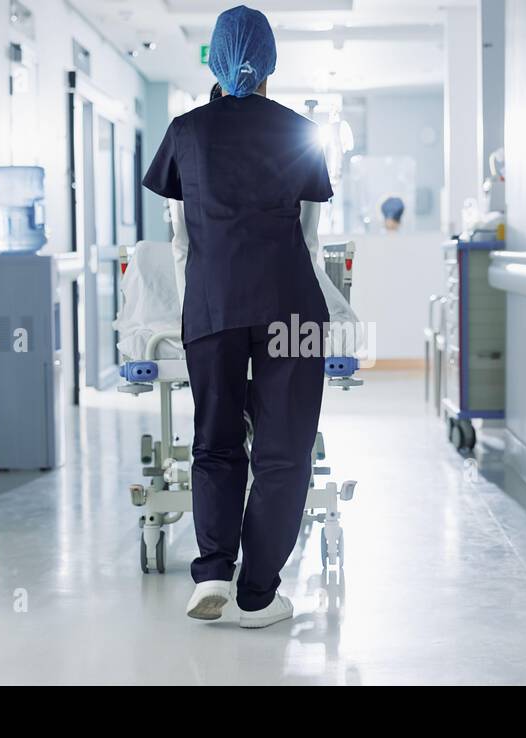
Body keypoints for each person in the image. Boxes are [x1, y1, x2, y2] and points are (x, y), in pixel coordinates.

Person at [142, 5, 333, 630]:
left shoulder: (187, 132)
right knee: (283, 451)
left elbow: (178, 239)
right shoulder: (298, 132)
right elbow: (309, 235)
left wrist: (196, 301)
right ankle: (256, 596)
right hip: (289, 310)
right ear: (272, 62)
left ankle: (214, 571)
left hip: (214, 306)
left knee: (216, 441)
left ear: (214, 62)